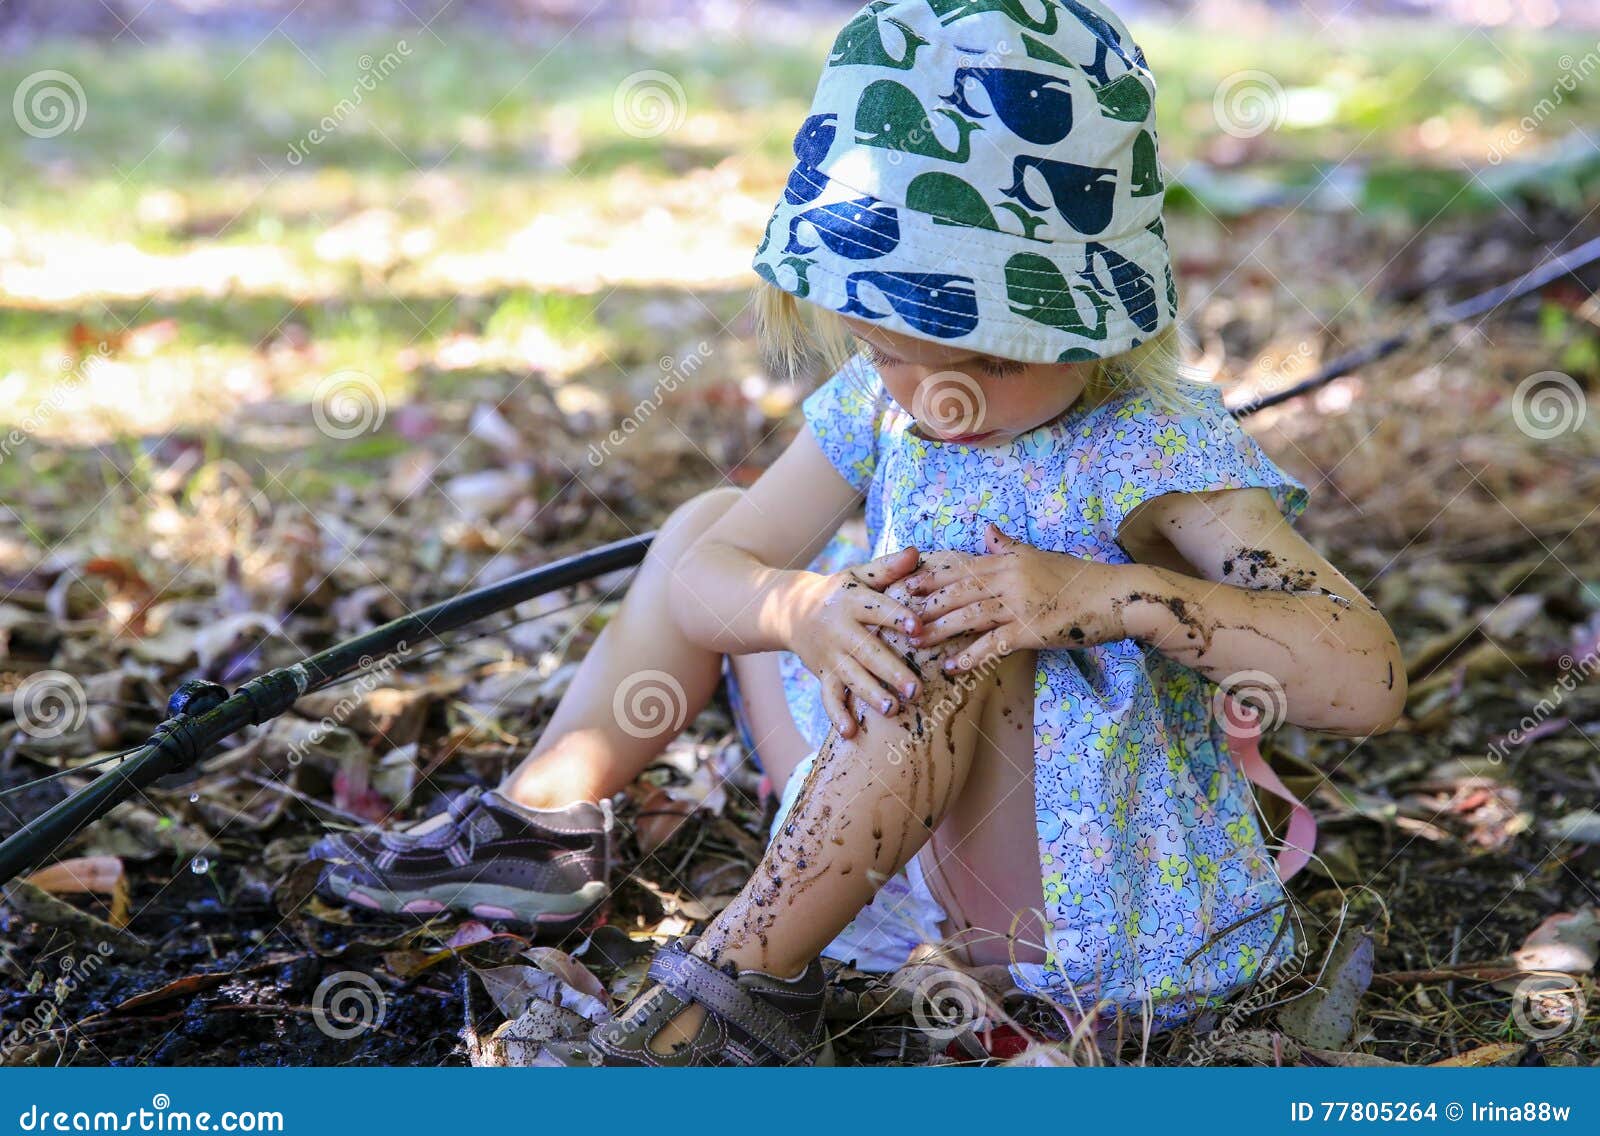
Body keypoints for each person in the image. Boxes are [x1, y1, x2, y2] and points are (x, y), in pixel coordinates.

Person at [313, 0, 1406, 1066]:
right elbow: (705, 576)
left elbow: (1363, 680)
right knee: (711, 526)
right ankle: (542, 824)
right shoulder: (876, 407)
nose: (939, 398)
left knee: (942, 619)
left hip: (1058, 898)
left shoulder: (1152, 447)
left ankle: (740, 985)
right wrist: (807, 611)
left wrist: (1102, 597)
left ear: (1099, 316)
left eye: (991, 359)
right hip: (867, 832)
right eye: (891, 349)